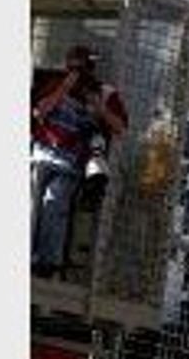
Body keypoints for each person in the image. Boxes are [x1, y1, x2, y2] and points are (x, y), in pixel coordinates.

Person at [31, 44, 129, 277]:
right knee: (32, 203)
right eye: (72, 68)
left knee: (54, 204)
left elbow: (120, 128)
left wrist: (97, 106)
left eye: (82, 69)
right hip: (42, 155)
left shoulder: (104, 93)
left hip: (71, 164)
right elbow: (39, 112)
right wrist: (64, 88)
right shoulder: (57, 83)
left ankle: (47, 262)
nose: (77, 74)